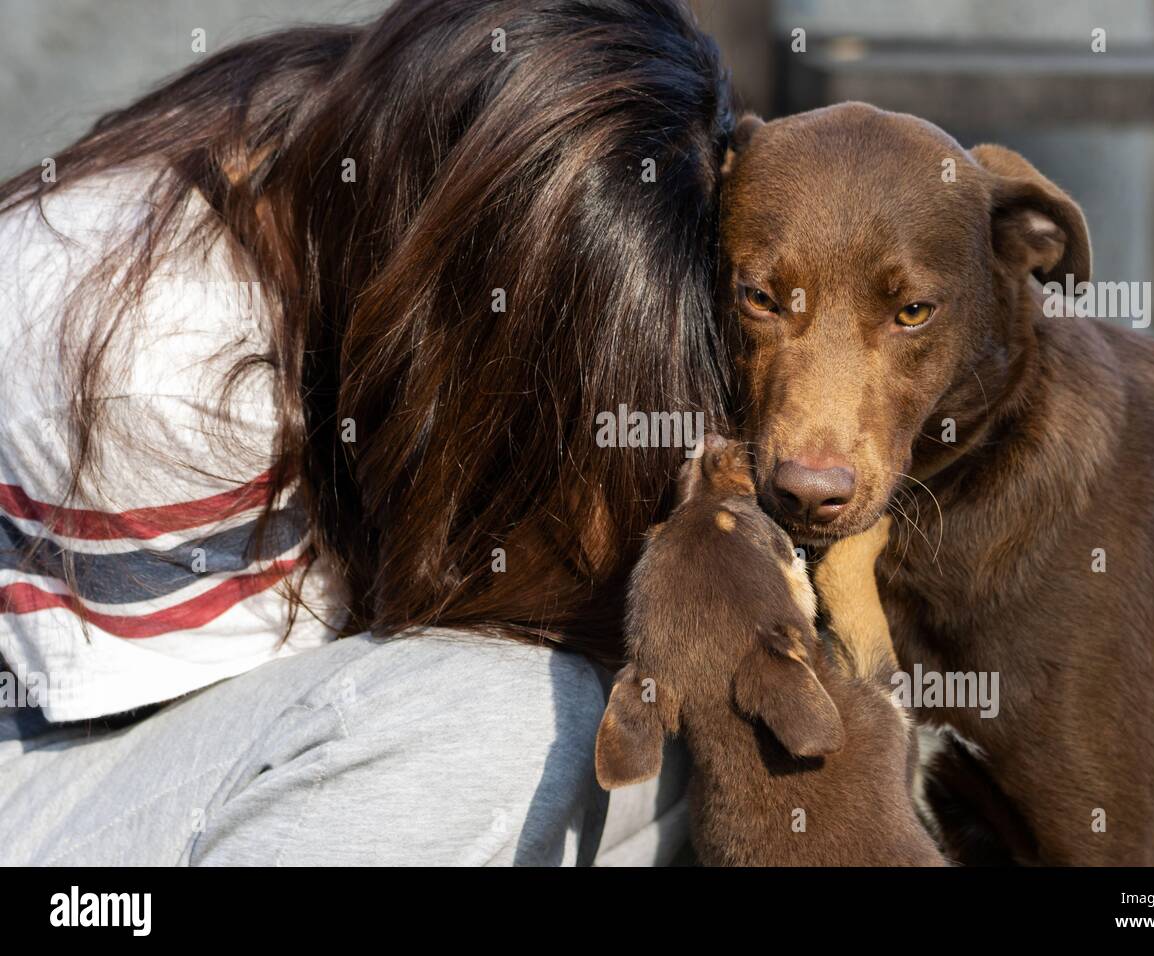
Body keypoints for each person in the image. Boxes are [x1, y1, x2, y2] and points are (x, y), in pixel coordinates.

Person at [0, 0, 733, 865]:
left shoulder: (347, 139)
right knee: (507, 722)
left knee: (683, 745)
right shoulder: (162, 375)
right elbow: (331, 734)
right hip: (47, 764)